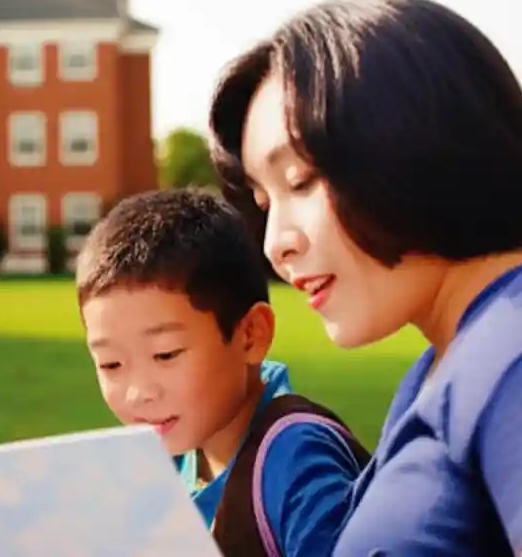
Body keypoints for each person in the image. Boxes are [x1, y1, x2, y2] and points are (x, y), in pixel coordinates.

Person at [207, 0, 522, 555]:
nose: (277, 245)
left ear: (412, 138)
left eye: (300, 181)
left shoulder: (510, 356)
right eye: (263, 202)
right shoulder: (443, 364)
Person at [75, 189, 370, 556]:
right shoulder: (180, 457)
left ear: (250, 335)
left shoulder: (295, 459)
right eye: (110, 364)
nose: (138, 393)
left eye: (165, 355)